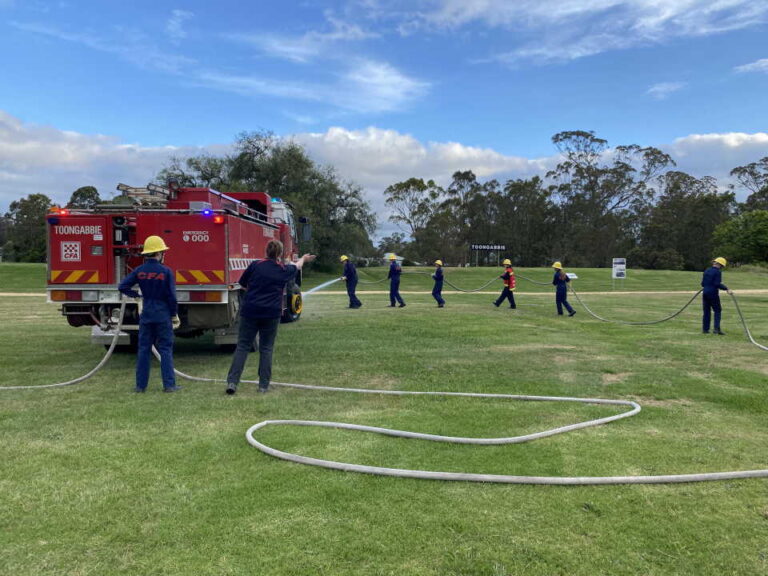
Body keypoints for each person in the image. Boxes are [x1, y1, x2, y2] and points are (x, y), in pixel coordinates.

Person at [226, 241, 316, 395]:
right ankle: (263, 386)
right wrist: (304, 258)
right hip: (271, 314)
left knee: (242, 346)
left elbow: (242, 284)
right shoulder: (283, 269)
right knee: (266, 348)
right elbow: (297, 266)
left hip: (250, 311)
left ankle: (232, 383)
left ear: (266, 251)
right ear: (280, 254)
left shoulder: (255, 265)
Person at [118, 235, 181, 393]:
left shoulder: (139, 271)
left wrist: (137, 296)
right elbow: (172, 297)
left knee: (144, 349)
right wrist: (174, 314)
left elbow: (122, 286)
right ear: (159, 253)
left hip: (146, 314)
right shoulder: (166, 271)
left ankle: (140, 386)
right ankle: (169, 385)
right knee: (165, 349)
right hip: (162, 314)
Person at [701, 256, 732, 335]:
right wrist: (727, 289)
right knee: (717, 310)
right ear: (720, 265)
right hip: (713, 293)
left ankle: (705, 330)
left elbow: (702, 284)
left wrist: (707, 286)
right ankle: (716, 329)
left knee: (706, 312)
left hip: (705, 293)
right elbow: (717, 284)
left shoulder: (707, 270)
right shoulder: (718, 272)